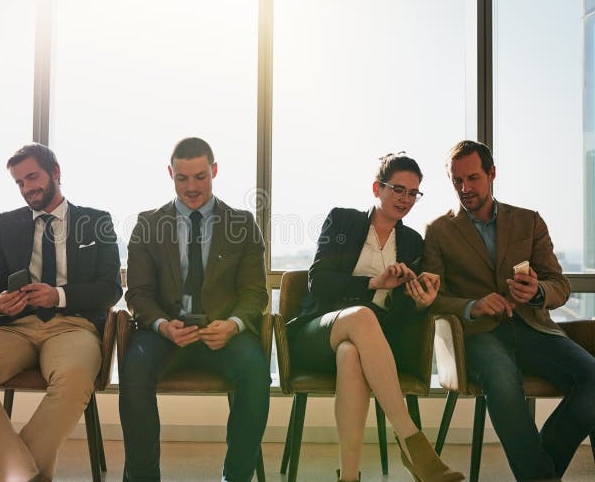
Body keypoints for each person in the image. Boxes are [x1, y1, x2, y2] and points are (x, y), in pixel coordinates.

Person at [0, 143, 122, 482]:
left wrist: (59, 296)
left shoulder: (96, 221)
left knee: (74, 378)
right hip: (13, 327)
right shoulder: (6, 223)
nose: (27, 188)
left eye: (32, 177)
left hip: (74, 327)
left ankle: (14, 474)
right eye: (20, 183)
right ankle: (25, 474)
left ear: (55, 172)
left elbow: (111, 288)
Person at [423, 140, 595, 481]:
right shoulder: (438, 231)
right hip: (479, 335)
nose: (465, 188)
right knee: (502, 381)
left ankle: (538, 471)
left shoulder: (529, 222)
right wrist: (472, 306)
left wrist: (537, 291)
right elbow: (433, 298)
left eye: (472, 178)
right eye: (456, 180)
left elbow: (559, 285)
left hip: (534, 329)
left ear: (492, 174)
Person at [287, 153, 465, 482]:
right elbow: (318, 281)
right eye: (398, 189)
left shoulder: (412, 242)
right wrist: (373, 283)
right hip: (318, 333)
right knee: (362, 316)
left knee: (351, 353)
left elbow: (401, 314)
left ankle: (349, 477)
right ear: (376, 188)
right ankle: (412, 442)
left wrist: (421, 300)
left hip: (371, 348)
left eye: (413, 193)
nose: (405, 199)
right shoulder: (343, 221)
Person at [119, 137, 270, 482]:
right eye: (182, 178)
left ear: (214, 171)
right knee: (134, 369)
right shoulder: (147, 224)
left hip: (224, 334)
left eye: (200, 177)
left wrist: (232, 325)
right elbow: (138, 294)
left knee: (256, 371)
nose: (192, 187)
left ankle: (237, 477)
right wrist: (161, 325)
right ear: (171, 174)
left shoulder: (243, 224)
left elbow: (254, 293)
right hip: (164, 333)